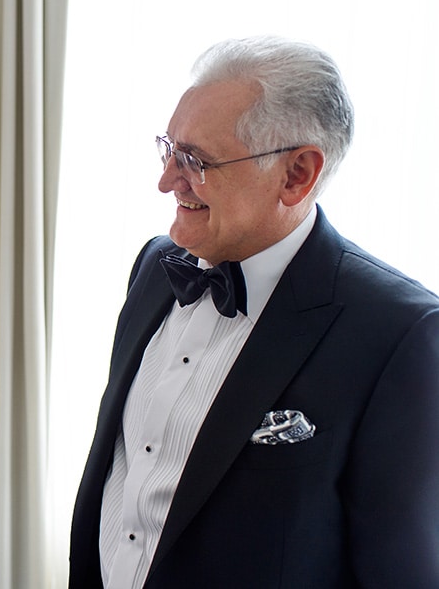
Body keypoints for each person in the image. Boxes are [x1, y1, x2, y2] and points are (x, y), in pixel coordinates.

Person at [69, 36, 439, 588]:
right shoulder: (154, 266)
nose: (166, 179)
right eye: (168, 148)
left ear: (297, 175)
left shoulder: (399, 333)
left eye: (195, 160)